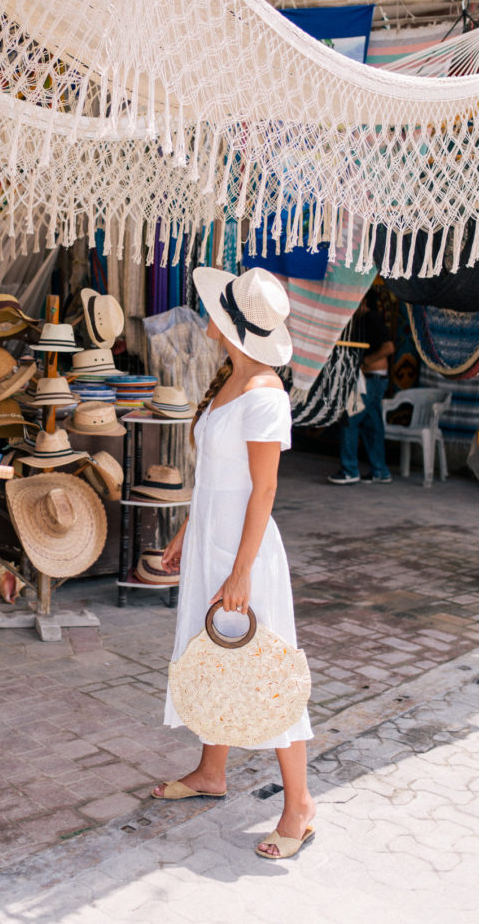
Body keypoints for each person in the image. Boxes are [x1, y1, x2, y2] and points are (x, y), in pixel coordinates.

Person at [152, 266, 315, 861]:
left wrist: (241, 569)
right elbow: (220, 477)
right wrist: (187, 527)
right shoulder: (231, 381)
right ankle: (210, 772)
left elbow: (263, 490)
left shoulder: (266, 394)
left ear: (230, 327)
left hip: (244, 551)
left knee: (267, 670)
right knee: (212, 655)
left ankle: (299, 805)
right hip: (211, 540)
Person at [328, 288, 394, 485]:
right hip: (377, 380)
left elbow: (388, 347)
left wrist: (365, 362)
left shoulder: (370, 318)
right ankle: (380, 471)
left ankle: (349, 470)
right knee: (372, 426)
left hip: (371, 380)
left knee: (350, 419)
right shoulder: (366, 320)